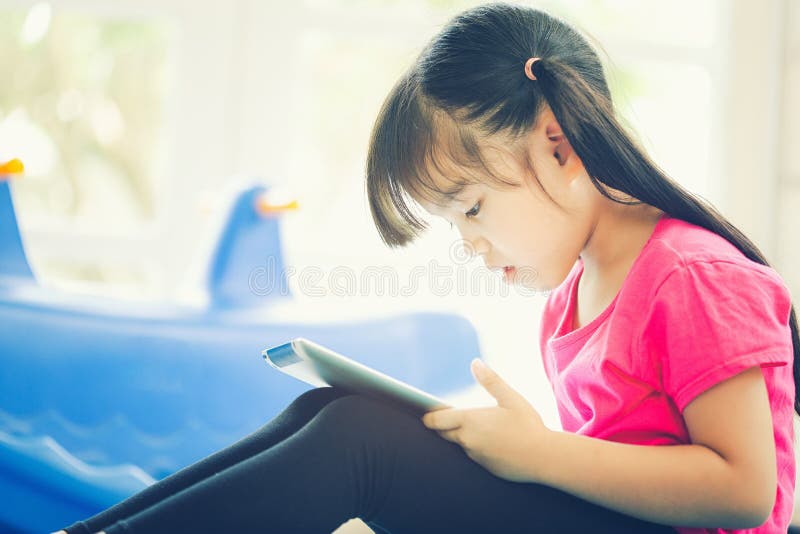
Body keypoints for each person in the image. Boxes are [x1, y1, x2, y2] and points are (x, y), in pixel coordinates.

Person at [58, 2, 798, 533]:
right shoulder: (572, 294)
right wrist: (534, 455)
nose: (469, 244)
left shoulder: (693, 276)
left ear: (559, 146)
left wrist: (542, 455)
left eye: (471, 208)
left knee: (363, 443)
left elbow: (744, 492)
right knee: (336, 411)